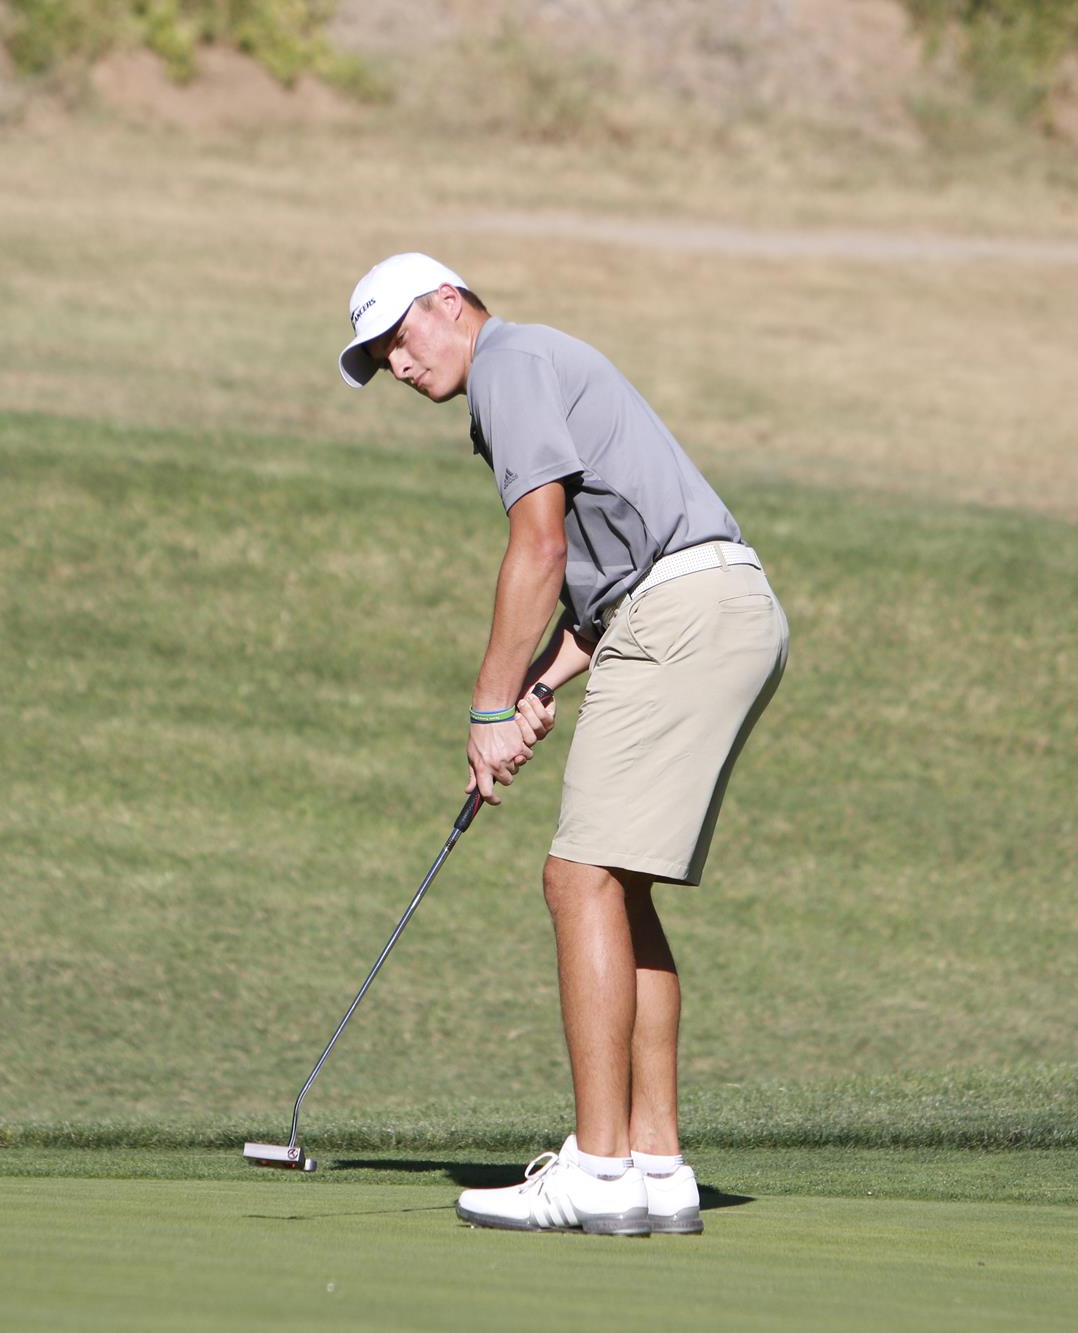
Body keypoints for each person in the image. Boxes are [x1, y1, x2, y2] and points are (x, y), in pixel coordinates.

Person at [337, 253, 789, 1237]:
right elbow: (598, 584)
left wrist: (490, 704)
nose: (397, 367)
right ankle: (655, 1167)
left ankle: (595, 1167)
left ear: (448, 303)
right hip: (705, 607)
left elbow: (538, 546)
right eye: (378, 360)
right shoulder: (534, 366)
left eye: (398, 340)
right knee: (614, 886)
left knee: (573, 877)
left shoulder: (507, 364)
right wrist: (538, 686)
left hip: (681, 614)